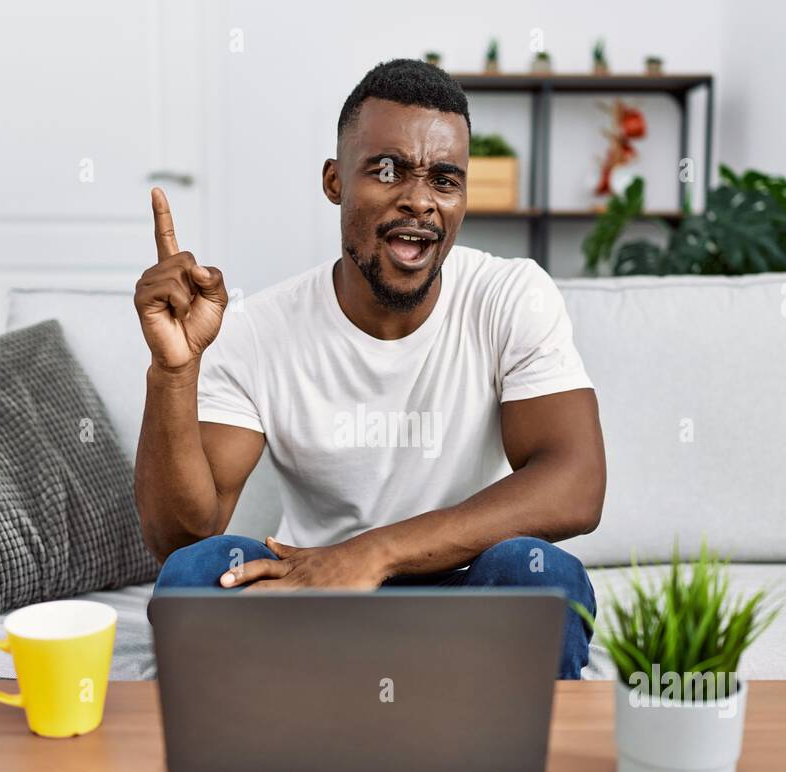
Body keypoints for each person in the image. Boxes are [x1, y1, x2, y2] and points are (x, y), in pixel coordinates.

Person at [133, 58, 606, 678]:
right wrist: (173, 374)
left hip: (463, 593)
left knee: (543, 576)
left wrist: (370, 556)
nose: (419, 201)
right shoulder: (257, 327)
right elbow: (181, 537)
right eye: (387, 170)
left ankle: (448, 735)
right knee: (196, 573)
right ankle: (315, 728)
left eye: (444, 180)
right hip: (313, 595)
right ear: (335, 181)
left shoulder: (509, 295)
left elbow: (576, 482)